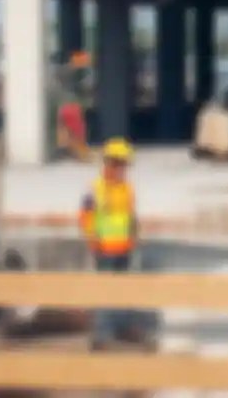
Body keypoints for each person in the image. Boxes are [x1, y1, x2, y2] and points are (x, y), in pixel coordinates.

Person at [79, 137, 138, 349]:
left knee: (122, 291)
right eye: (120, 164)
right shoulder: (95, 189)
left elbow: (131, 215)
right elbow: (86, 215)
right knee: (105, 292)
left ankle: (122, 329)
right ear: (109, 163)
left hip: (123, 248)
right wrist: (92, 237)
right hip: (104, 249)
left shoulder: (127, 188)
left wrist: (134, 235)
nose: (123, 169)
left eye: (125, 164)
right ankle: (100, 336)